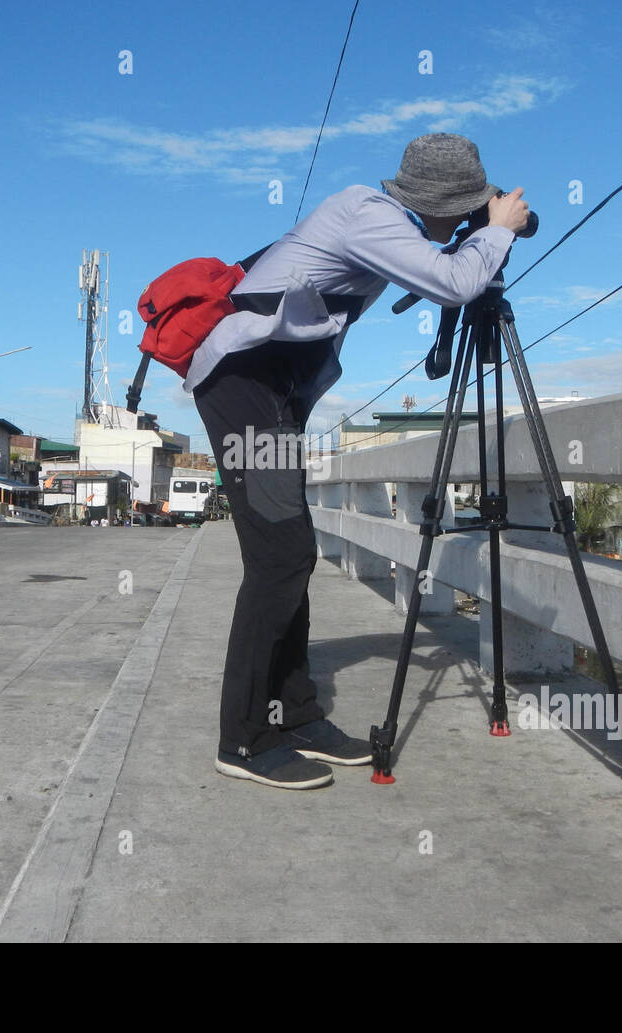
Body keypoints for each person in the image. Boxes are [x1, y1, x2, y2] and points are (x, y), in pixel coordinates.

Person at [189, 133, 532, 790]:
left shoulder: (385, 224)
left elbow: (441, 275)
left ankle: (293, 713)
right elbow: (455, 283)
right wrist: (499, 231)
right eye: (462, 206)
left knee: (295, 554)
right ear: (440, 201)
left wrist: (477, 235)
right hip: (242, 384)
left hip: (273, 394)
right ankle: (244, 737)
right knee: (278, 557)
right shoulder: (366, 213)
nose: (466, 216)